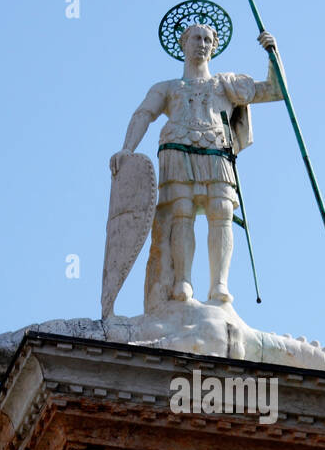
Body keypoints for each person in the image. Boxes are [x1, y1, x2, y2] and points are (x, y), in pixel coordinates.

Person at [110, 23, 283, 310]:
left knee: (222, 211)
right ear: (183, 44)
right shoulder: (167, 88)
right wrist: (127, 148)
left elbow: (275, 91)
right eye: (196, 38)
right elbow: (144, 113)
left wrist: (272, 55)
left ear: (214, 47)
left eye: (207, 39)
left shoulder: (227, 84)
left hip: (216, 148)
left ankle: (219, 285)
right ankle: (183, 281)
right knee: (182, 211)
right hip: (177, 147)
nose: (201, 44)